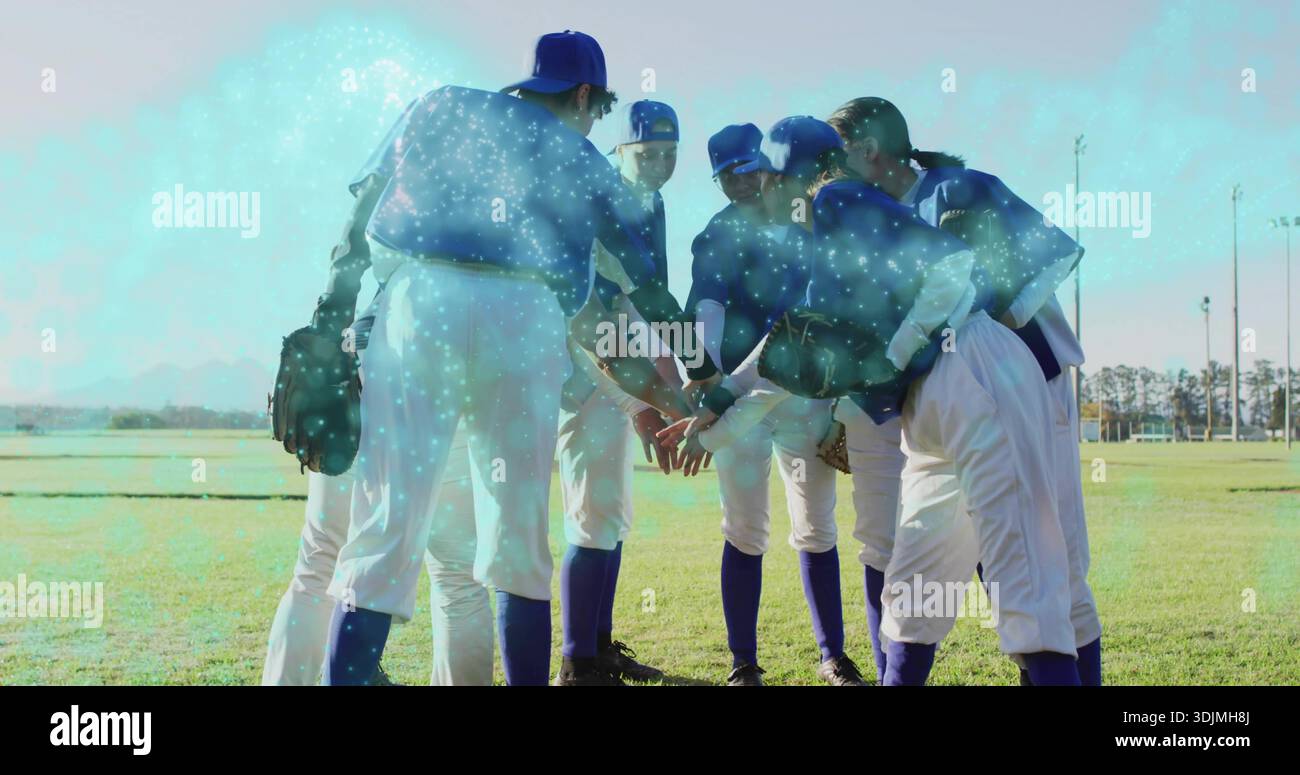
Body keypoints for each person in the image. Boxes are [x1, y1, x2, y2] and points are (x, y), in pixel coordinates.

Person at [320, 30, 718, 686]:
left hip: (421, 300)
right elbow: (640, 294)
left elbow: (363, 205)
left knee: (383, 538)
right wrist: (698, 375)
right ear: (583, 95)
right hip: (525, 317)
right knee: (519, 548)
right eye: (596, 109)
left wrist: (326, 320)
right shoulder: (580, 157)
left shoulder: (443, 104)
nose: (594, 123)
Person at [665, 115, 1080, 686]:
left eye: (771, 177)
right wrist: (720, 404)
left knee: (1022, 581)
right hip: (930, 398)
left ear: (796, 175)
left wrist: (898, 348)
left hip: (977, 371)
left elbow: (953, 268)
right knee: (912, 596)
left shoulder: (837, 198)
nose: (765, 190)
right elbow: (789, 344)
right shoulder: (829, 228)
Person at [825, 96, 1100, 685]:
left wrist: (989, 328)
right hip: (940, 414)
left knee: (1057, 567)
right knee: (924, 572)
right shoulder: (869, 223)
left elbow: (1052, 255)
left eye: (837, 155)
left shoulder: (955, 190)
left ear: (869, 150)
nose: (829, 171)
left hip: (1027, 385)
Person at [684, 122, 868, 686]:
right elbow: (705, 307)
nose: (739, 183)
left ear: (767, 167)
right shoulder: (719, 231)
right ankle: (744, 664)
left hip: (805, 391)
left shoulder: (807, 219)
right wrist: (708, 372)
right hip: (742, 398)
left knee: (817, 525)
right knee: (744, 527)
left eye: (747, 169)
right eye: (726, 176)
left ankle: (832, 655)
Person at [554, 99, 686, 686]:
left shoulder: (652, 203)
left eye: (668, 154)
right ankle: (578, 661)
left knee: (612, 511)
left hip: (623, 352)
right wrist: (649, 393)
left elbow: (647, 301)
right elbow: (594, 304)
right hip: (589, 360)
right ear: (620, 149)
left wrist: (656, 389)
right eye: (647, 153)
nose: (658, 164)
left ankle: (599, 647)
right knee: (592, 512)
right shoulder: (599, 194)